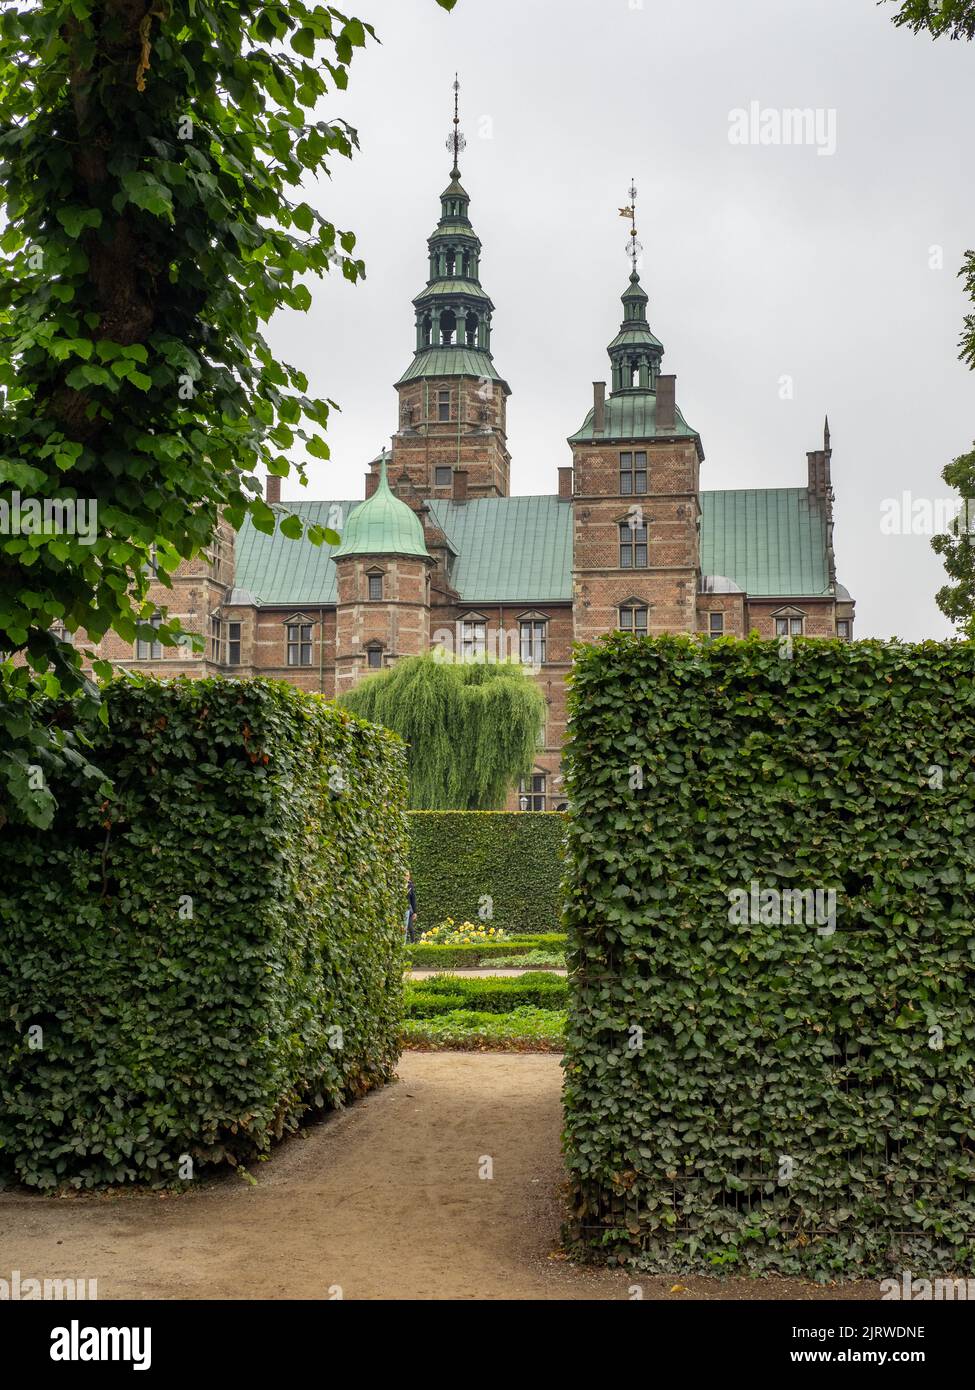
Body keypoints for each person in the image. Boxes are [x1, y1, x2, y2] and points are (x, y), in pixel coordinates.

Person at [404, 871, 418, 944]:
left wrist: (415, 912)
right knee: (403, 927)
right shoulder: (398, 885)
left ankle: (413, 943)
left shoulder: (410, 886)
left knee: (410, 927)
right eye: (405, 875)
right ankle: (402, 943)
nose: (406, 877)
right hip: (400, 910)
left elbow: (413, 899)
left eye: (407, 876)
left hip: (408, 909)